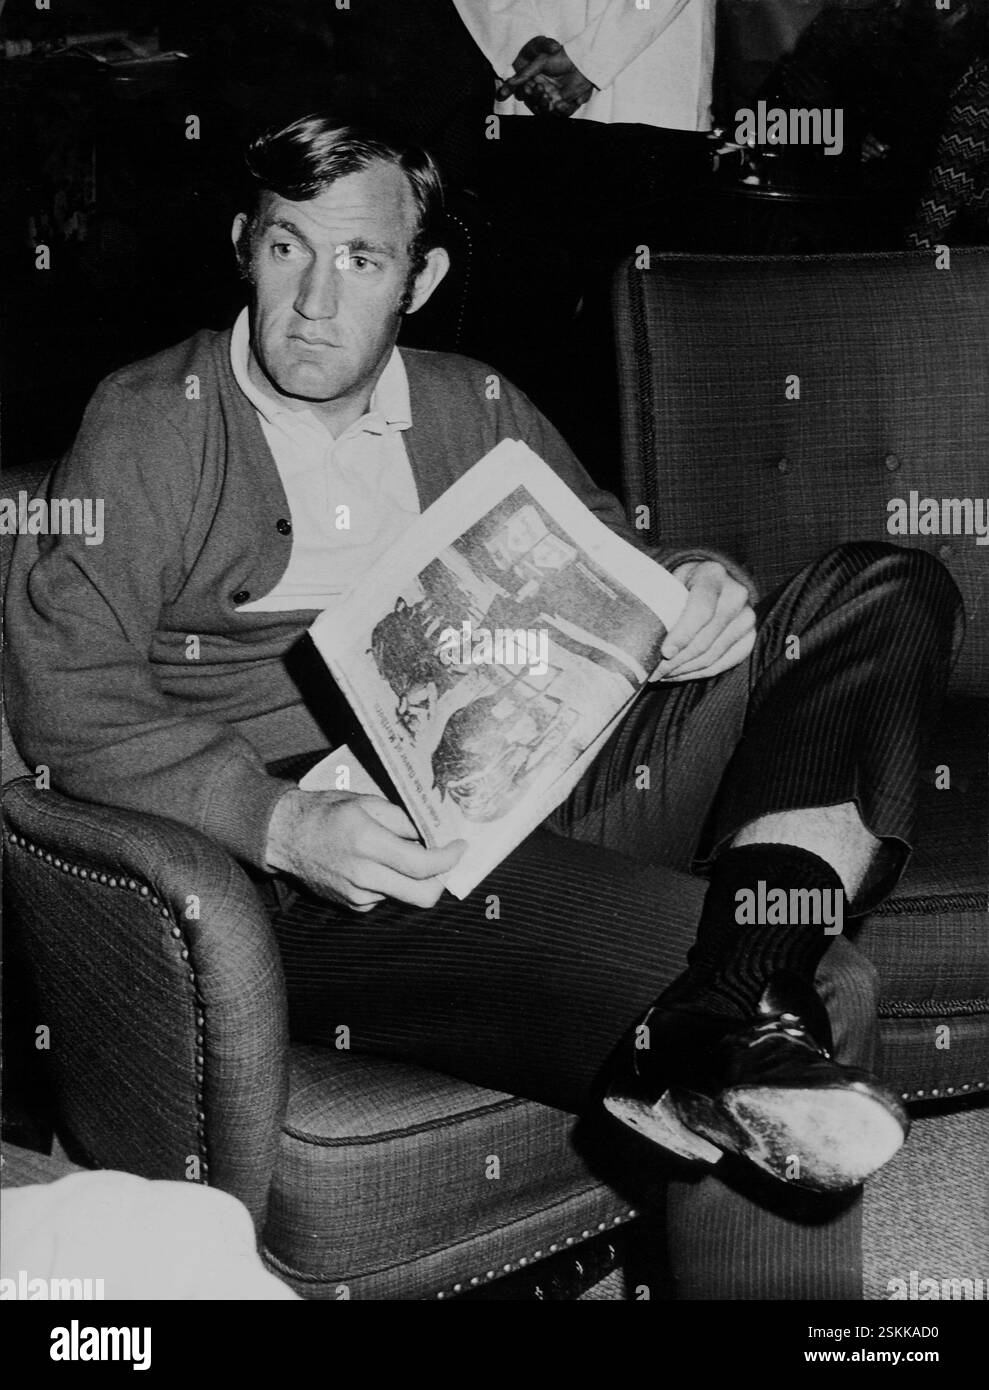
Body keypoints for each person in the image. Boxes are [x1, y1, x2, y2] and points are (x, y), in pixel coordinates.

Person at [6, 115, 963, 1297]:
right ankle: (746, 1008)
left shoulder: (473, 401)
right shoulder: (151, 421)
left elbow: (610, 551)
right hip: (342, 865)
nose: (312, 299)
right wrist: (276, 822)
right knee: (822, 993)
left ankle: (729, 992)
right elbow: (62, 698)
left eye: (359, 260)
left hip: (536, 772)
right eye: (286, 249)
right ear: (242, 247)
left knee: (879, 583)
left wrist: (700, 590)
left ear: (421, 279)